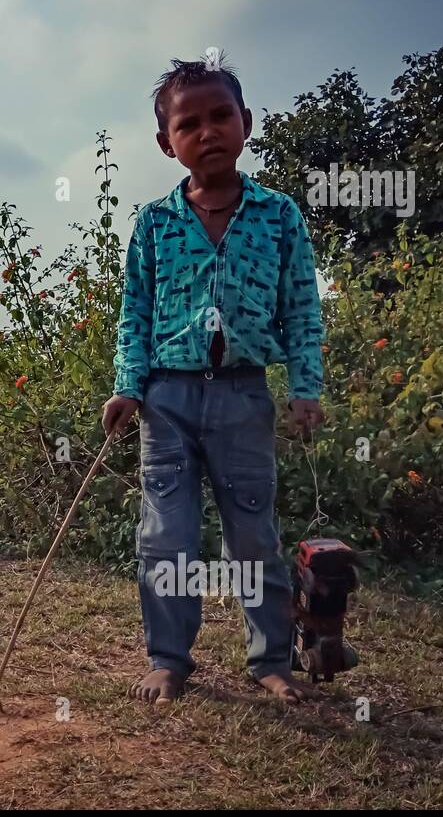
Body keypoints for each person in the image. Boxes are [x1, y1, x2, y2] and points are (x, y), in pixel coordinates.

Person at [102, 55, 325, 704]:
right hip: (165, 400)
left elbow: (302, 307)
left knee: (252, 533)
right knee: (166, 536)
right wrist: (128, 386)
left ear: (246, 122)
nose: (208, 131)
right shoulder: (153, 223)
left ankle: (271, 660)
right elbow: (134, 315)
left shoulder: (278, 215)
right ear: (166, 143)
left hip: (244, 395)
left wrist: (305, 387)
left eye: (220, 115)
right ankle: (168, 657)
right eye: (189, 123)